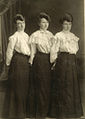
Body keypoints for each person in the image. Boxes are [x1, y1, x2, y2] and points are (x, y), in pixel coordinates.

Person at [49, 13, 83, 119]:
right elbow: (54, 50)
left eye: (69, 24)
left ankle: (71, 112)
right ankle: (61, 112)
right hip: (62, 61)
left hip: (71, 61)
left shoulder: (73, 37)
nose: (67, 26)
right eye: (65, 24)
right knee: (62, 85)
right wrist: (53, 62)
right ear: (62, 25)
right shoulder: (58, 36)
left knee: (71, 85)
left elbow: (75, 50)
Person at [28, 12, 54, 118]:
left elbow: (53, 51)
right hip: (39, 61)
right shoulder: (35, 35)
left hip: (48, 60)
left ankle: (46, 111)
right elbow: (33, 51)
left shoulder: (51, 35)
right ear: (39, 23)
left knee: (47, 86)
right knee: (39, 85)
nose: (45, 24)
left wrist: (54, 62)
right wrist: (31, 62)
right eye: (43, 22)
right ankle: (37, 112)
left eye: (47, 22)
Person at [6, 14, 30, 118]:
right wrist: (8, 64)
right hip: (17, 62)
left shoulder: (27, 36)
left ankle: (23, 112)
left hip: (25, 62)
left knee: (24, 86)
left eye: (22, 23)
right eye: (18, 24)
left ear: (25, 24)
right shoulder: (14, 37)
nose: (21, 25)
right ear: (16, 25)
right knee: (17, 86)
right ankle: (15, 113)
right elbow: (9, 51)